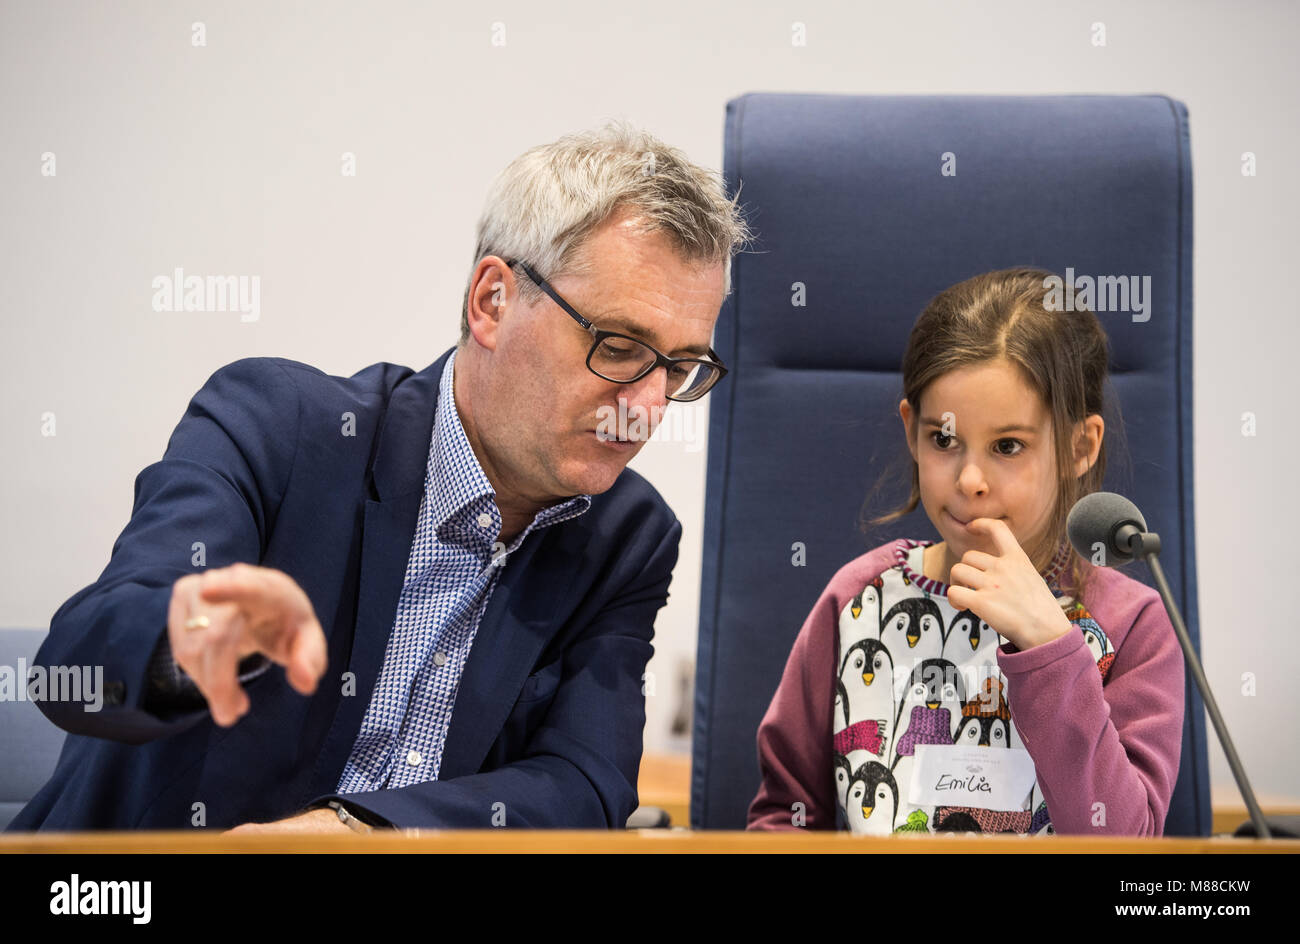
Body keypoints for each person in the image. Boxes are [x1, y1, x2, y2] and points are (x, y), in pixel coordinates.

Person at [11, 120, 750, 832]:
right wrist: (187, 639)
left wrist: (365, 832)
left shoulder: (627, 537)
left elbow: (586, 784)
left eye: (682, 368)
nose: (650, 407)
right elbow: (73, 674)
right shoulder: (279, 427)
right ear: (492, 301)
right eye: (620, 347)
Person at [746, 268, 1185, 836]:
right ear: (912, 431)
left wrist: (1053, 651)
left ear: (1080, 446)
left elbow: (1123, 843)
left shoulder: (1134, 626)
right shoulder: (858, 601)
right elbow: (786, 816)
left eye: (1008, 446)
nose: (970, 479)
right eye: (944, 440)